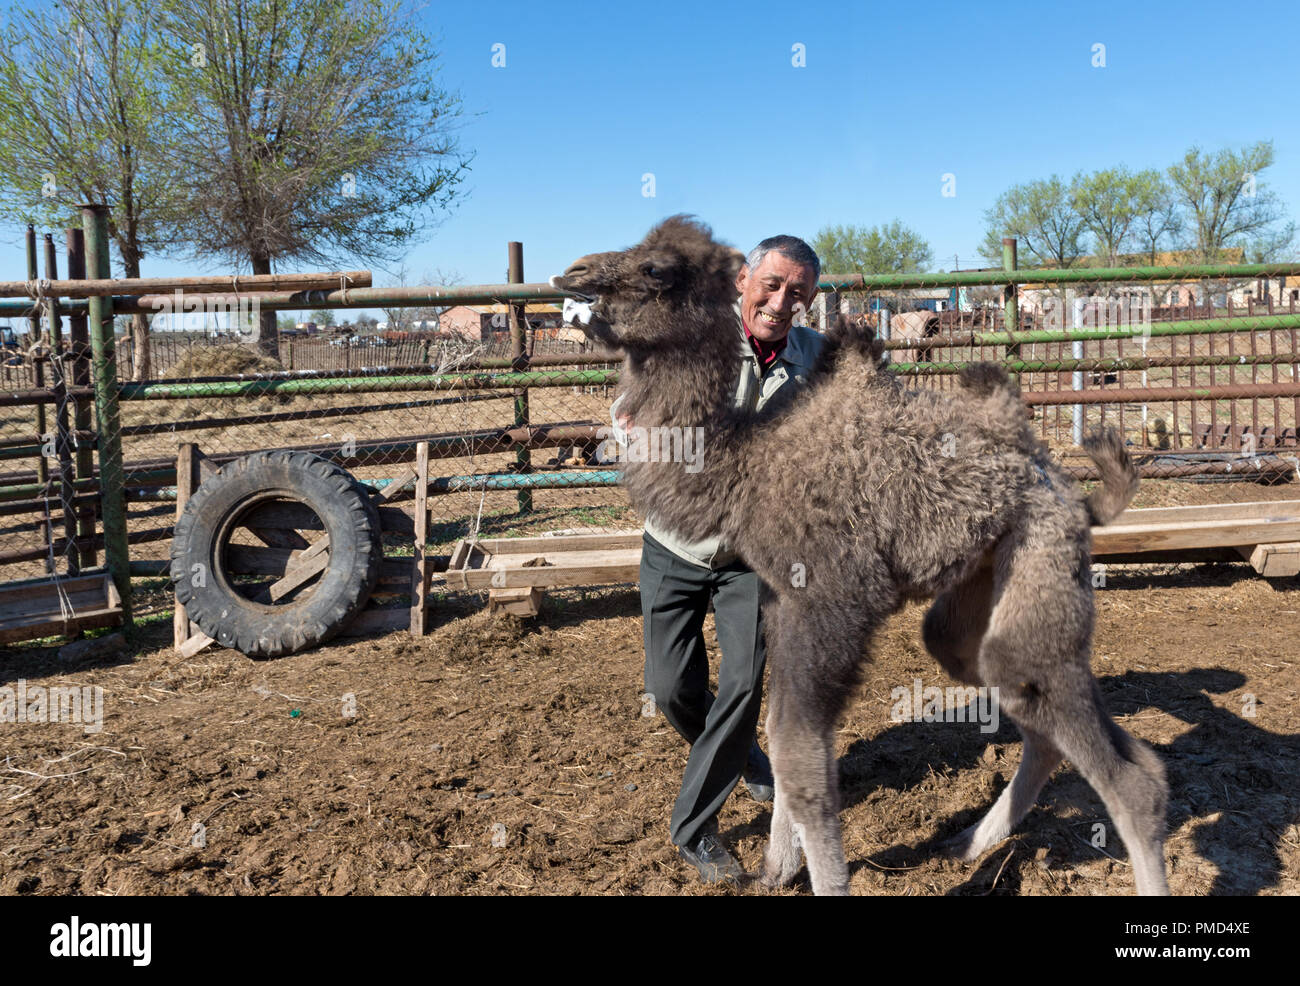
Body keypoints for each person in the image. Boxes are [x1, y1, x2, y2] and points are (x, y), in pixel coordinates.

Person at [637, 234, 824, 884]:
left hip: (752, 551)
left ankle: (694, 827)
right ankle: (744, 761)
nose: (779, 300)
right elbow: (629, 408)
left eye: (796, 291)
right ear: (744, 278)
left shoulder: (815, 360)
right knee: (669, 689)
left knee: (744, 686)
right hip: (675, 540)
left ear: (809, 298)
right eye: (771, 283)